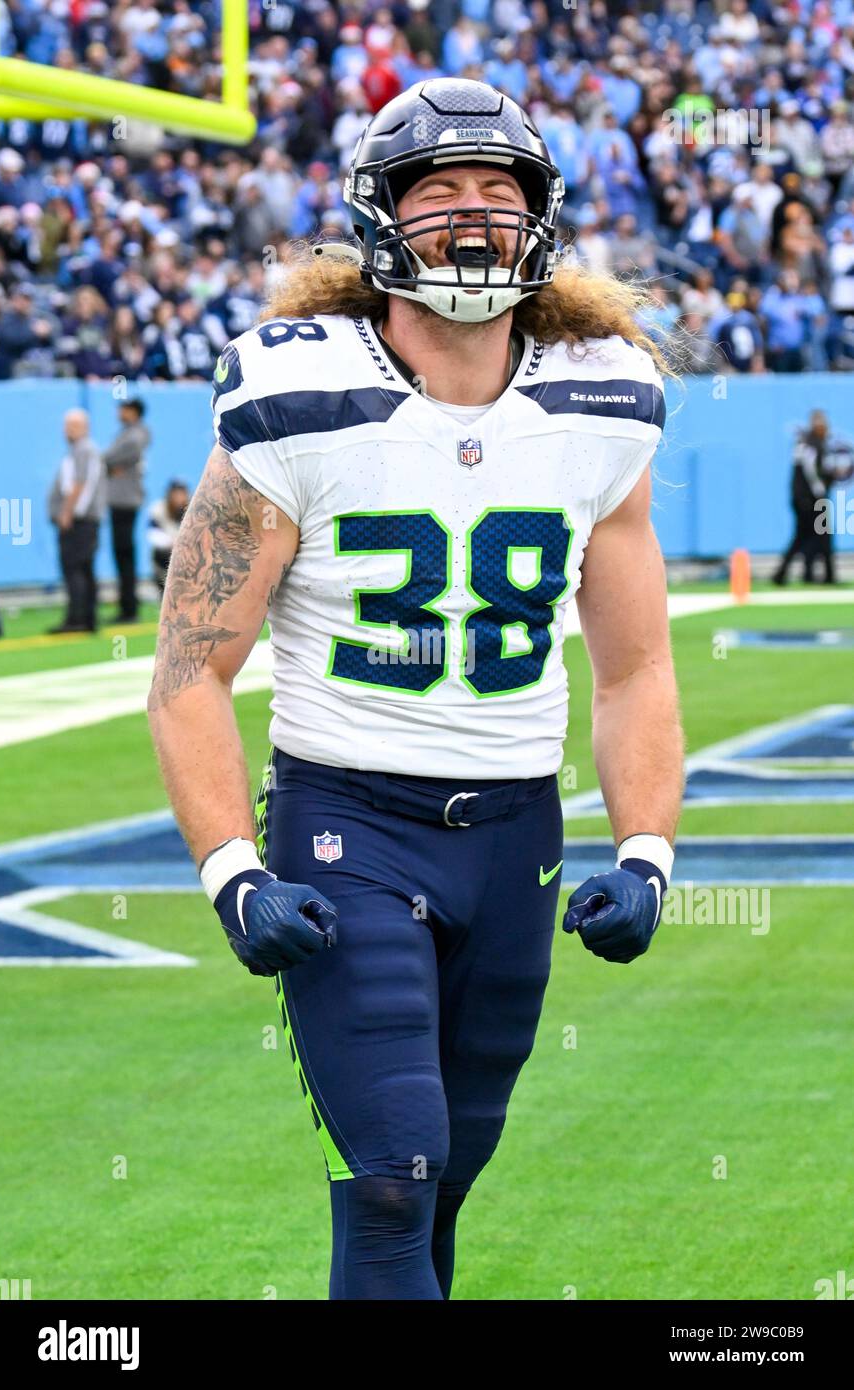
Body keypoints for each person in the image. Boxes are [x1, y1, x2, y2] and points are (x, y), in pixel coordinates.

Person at [148, 78, 683, 1301]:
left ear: (541, 217)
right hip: (351, 826)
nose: (472, 216)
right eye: (437, 191)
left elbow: (637, 663)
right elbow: (189, 669)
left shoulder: (601, 394)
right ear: (380, 218)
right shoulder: (295, 396)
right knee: (390, 1171)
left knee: (442, 1183)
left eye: (500, 191)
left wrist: (646, 847)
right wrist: (234, 871)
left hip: (514, 836)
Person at [772, 409, 851, 585]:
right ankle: (825, 575)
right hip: (810, 499)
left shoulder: (813, 443)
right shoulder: (810, 444)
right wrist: (820, 490)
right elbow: (811, 472)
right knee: (819, 535)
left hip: (806, 498)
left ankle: (789, 574)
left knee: (805, 536)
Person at [47, 409, 105, 633]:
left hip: (80, 521)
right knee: (84, 568)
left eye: (71, 426)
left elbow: (81, 484)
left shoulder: (84, 450)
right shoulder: (80, 450)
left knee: (75, 568)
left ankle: (78, 619)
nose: (66, 430)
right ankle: (85, 619)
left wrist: (67, 513)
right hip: (82, 520)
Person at [104, 398, 151, 623]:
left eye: (124, 409)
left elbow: (109, 458)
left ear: (134, 412)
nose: (120, 413)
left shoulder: (135, 434)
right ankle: (127, 605)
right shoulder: (130, 433)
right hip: (121, 499)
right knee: (122, 554)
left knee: (124, 553)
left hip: (126, 500)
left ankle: (129, 608)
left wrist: (109, 464)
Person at [147, 479, 189, 595]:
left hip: (187, 560)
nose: (179, 497)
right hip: (164, 559)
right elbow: (153, 534)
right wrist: (171, 542)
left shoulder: (193, 510)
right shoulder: (158, 509)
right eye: (176, 493)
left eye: (182, 493)